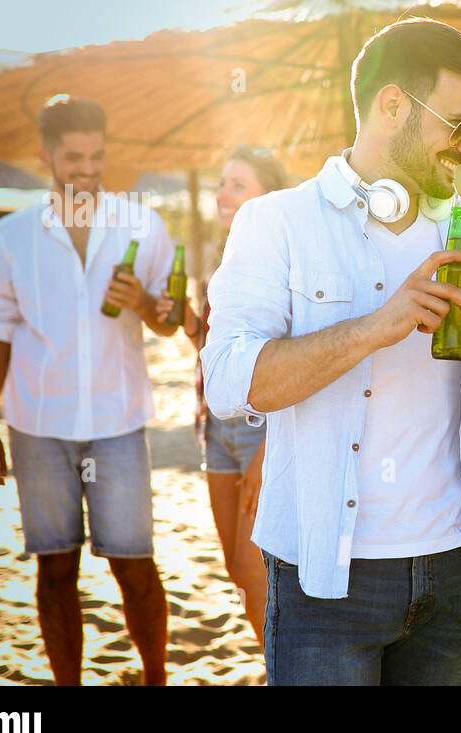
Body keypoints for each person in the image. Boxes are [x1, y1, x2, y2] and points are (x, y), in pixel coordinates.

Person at [201, 18, 461, 686]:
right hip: (325, 580)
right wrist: (376, 326)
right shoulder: (276, 222)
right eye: (460, 125)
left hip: (454, 569)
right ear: (392, 106)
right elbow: (231, 383)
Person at [0, 96, 180, 685]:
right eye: (73, 157)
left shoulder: (143, 224)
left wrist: (144, 303)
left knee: (135, 566)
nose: (87, 169)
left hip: (118, 424)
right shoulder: (13, 235)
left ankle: (156, 679)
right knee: (55, 569)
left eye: (97, 156)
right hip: (36, 426)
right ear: (46, 155)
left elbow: (171, 318)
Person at [155, 144, 291, 647]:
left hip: (263, 426)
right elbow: (216, 353)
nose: (222, 193)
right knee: (239, 570)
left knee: (255, 571)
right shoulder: (220, 255)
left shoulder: (282, 257)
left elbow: (290, 360)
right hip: (216, 425)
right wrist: (189, 321)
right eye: (221, 183)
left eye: (238, 184)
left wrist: (270, 449)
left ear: (267, 196)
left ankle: (287, 675)